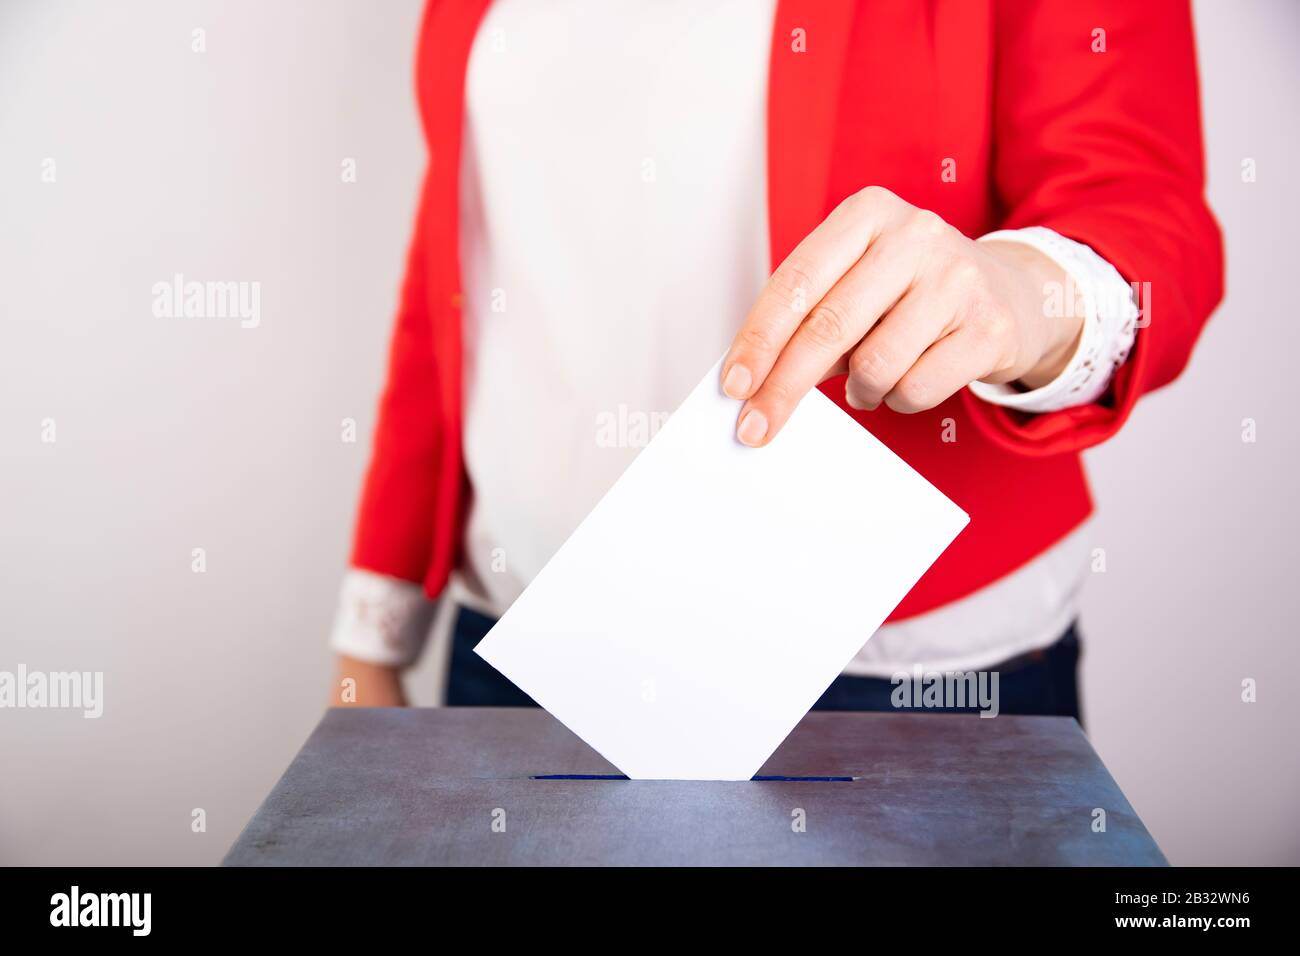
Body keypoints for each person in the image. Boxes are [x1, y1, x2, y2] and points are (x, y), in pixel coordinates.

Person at [329, 0, 1222, 719]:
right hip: (519, 651)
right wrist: (372, 632)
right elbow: (463, 270)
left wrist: (1019, 296)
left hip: (891, 687)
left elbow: (1141, 209)